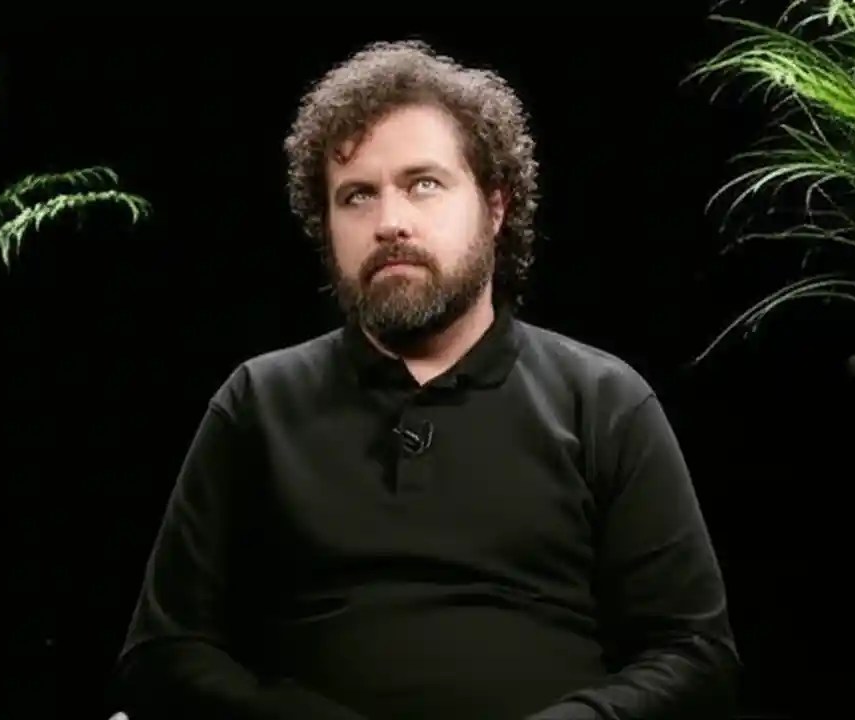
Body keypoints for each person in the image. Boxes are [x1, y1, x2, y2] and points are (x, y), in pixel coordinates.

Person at [113, 39, 740, 720]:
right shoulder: (258, 402)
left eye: (423, 184)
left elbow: (695, 656)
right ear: (326, 229)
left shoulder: (602, 400)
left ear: (495, 208)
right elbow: (163, 654)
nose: (389, 223)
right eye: (356, 197)